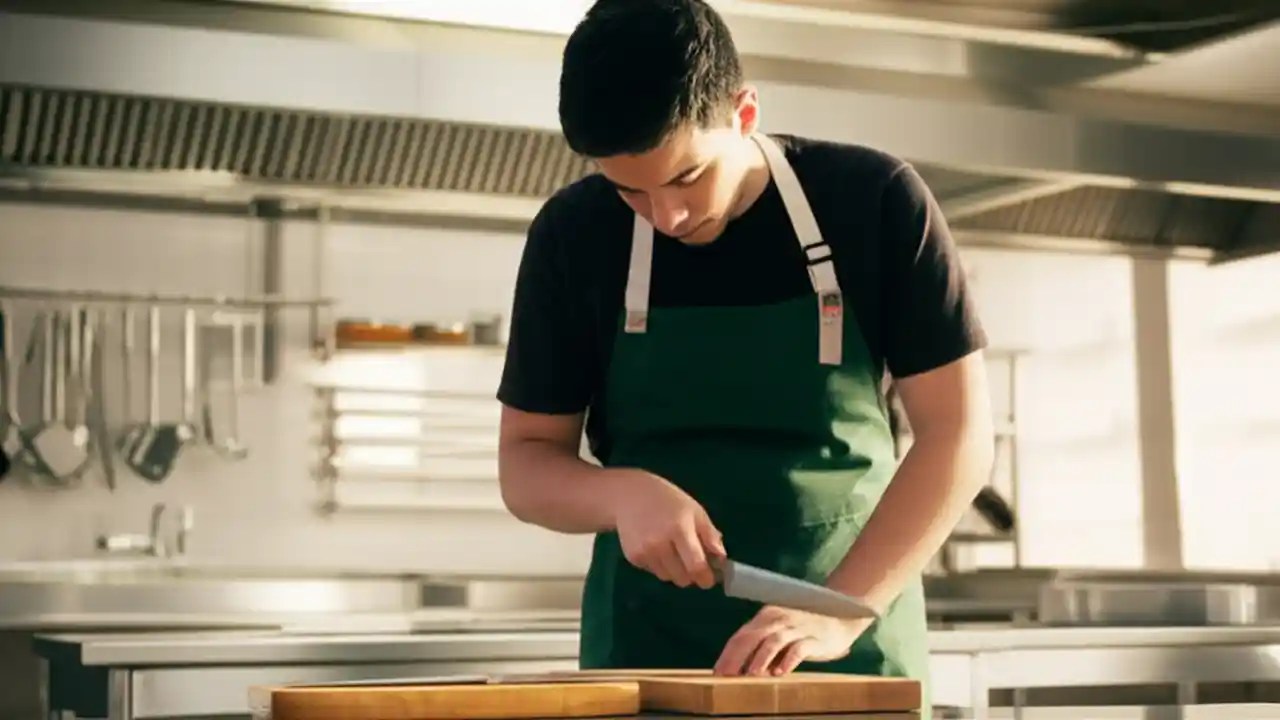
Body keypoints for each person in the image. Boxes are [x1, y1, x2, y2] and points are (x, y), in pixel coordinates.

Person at [495, 0, 995, 705]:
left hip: (849, 640)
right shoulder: (574, 235)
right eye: (629, 190)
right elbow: (525, 461)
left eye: (686, 178)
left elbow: (959, 435)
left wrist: (840, 609)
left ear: (744, 112)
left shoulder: (875, 202)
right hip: (651, 654)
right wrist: (622, 491)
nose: (665, 217)